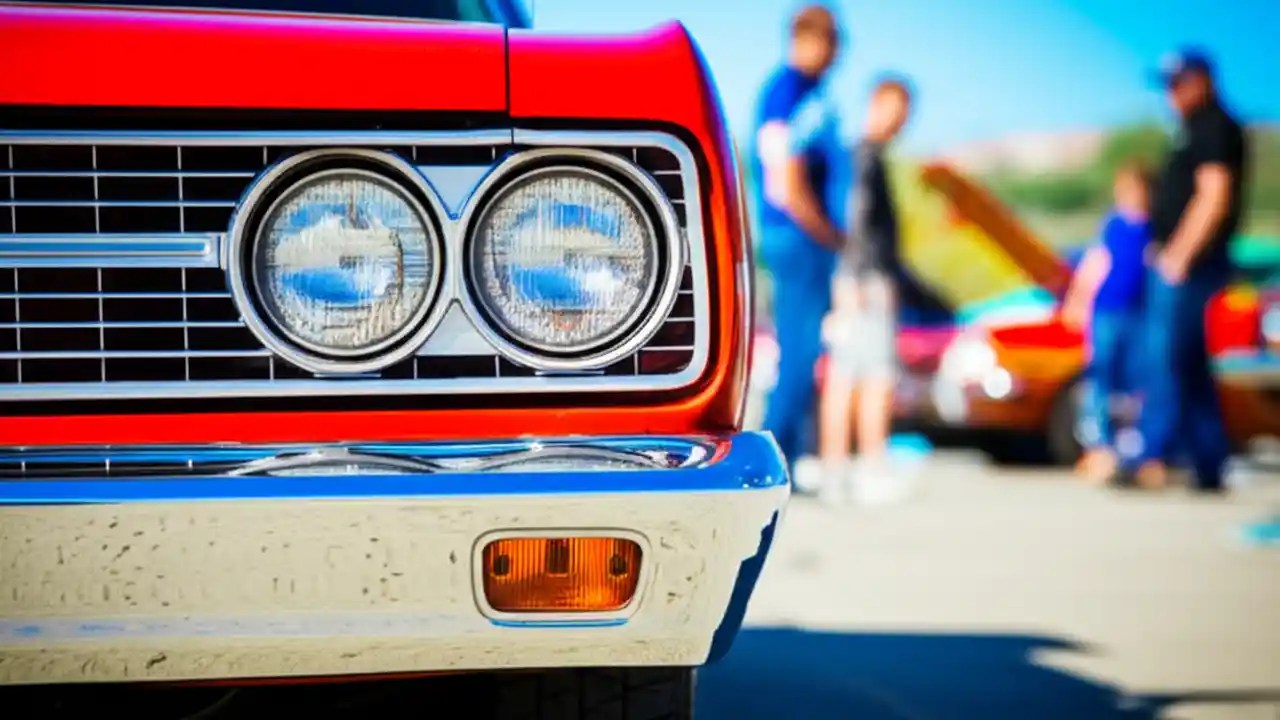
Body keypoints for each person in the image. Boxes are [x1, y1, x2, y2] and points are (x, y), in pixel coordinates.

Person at [1110, 49, 1247, 493]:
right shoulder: (1191, 128)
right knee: (1186, 364)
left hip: (1190, 267)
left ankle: (1152, 454)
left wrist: (1177, 257)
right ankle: (1206, 460)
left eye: (1177, 83)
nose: (1170, 94)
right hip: (1179, 263)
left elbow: (1214, 195)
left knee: (1165, 360)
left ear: (1201, 80)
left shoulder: (1211, 125)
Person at [753, 4, 846, 474]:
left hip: (803, 237)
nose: (836, 55)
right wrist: (828, 234)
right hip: (797, 236)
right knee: (800, 349)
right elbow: (785, 179)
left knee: (805, 350)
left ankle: (793, 450)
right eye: (830, 42)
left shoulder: (810, 92)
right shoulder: (788, 92)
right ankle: (778, 456)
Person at [817, 76, 913, 505]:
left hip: (857, 278)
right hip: (862, 281)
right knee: (870, 378)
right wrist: (856, 278)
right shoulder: (864, 158)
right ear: (877, 104)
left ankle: (838, 469)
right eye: (896, 109)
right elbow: (855, 220)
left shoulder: (858, 156)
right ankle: (867, 467)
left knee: (847, 376)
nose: (901, 121)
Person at [1061, 162, 1153, 484]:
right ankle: (1098, 446)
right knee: (1100, 378)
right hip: (1107, 312)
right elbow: (1094, 264)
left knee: (1136, 383)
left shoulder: (1153, 227)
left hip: (1139, 315)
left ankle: (1134, 449)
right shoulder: (1113, 226)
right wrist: (1077, 299)